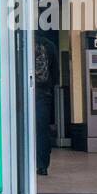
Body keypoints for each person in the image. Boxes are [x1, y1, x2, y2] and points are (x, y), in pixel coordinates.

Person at [34, 30, 58, 176]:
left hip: (22, 92)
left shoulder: (20, 42)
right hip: (43, 93)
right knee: (42, 130)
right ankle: (42, 165)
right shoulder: (49, 45)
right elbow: (55, 72)